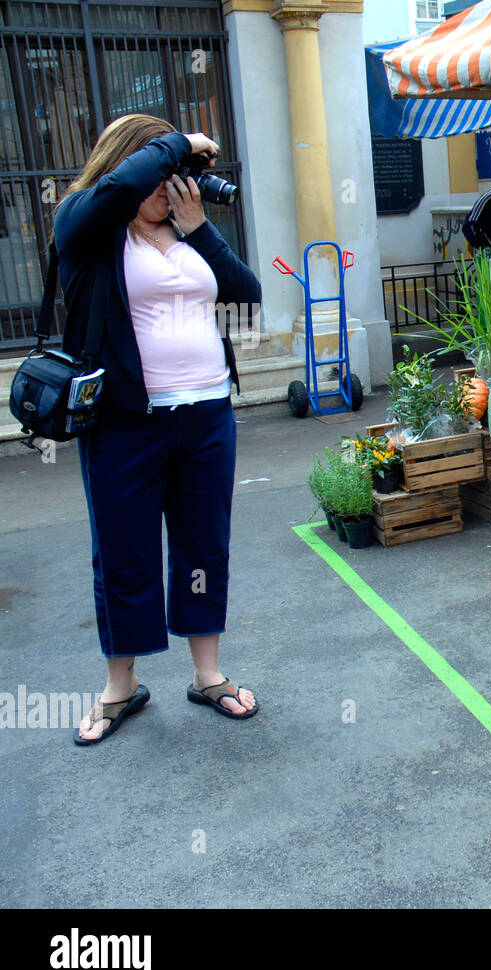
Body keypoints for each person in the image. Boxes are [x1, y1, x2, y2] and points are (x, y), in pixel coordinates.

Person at [53, 114, 262, 744]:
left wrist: (201, 232)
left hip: (205, 417)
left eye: (174, 174)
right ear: (124, 166)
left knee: (204, 547)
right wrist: (177, 143)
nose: (166, 186)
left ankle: (208, 675)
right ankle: (121, 687)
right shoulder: (87, 227)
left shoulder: (186, 231)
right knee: (125, 552)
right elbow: (115, 193)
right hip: (124, 422)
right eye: (156, 171)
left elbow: (247, 299)